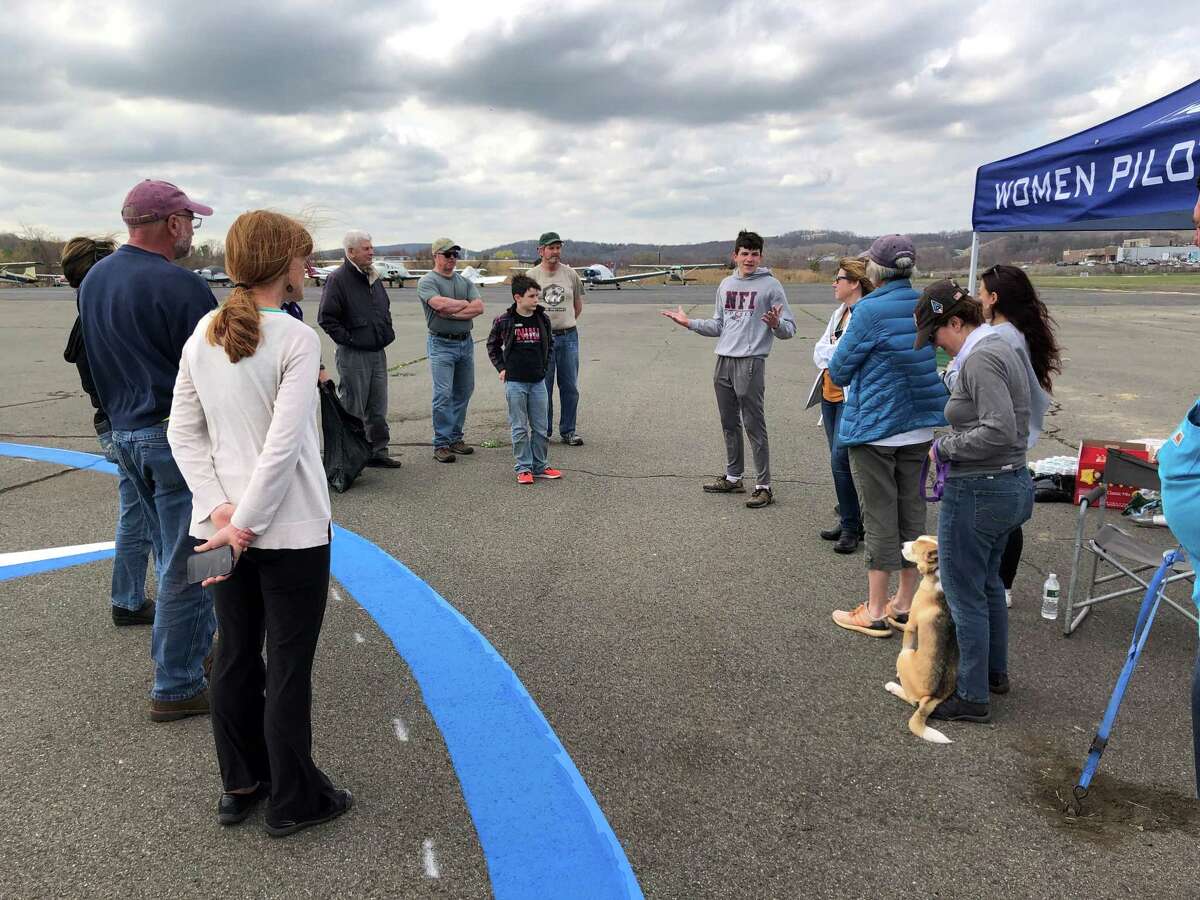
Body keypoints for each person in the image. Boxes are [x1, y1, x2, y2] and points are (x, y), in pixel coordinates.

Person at [168, 210, 352, 836]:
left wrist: (219, 511)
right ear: (284, 264)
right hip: (288, 529)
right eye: (303, 256)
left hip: (216, 529)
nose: (307, 267)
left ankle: (240, 781)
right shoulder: (296, 338)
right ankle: (294, 798)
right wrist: (243, 524)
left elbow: (183, 433)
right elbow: (283, 445)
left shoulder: (203, 332)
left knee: (235, 654)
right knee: (288, 665)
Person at [78, 179, 217, 722]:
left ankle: (198, 647)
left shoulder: (95, 279)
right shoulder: (183, 286)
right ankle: (176, 684)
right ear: (173, 222)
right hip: (173, 437)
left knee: (168, 549)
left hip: (125, 432)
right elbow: (214, 374)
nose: (192, 233)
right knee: (194, 561)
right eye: (191, 222)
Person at [915, 280, 1034, 723]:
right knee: (987, 585)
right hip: (1008, 482)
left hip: (981, 488)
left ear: (955, 323)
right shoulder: (1001, 345)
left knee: (964, 593)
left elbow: (998, 429)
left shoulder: (981, 358)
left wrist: (944, 447)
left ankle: (971, 695)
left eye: (935, 336)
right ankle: (993, 674)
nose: (936, 346)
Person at [827, 234, 947, 637]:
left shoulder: (869, 310)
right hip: (919, 425)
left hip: (877, 428)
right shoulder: (925, 304)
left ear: (875, 270)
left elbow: (839, 370)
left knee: (879, 515)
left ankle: (876, 609)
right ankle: (904, 603)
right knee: (912, 512)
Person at [661, 230, 795, 509]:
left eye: (755, 254)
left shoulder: (771, 286)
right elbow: (719, 325)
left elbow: (789, 329)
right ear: (735, 255)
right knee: (729, 422)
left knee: (754, 424)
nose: (749, 259)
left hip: (751, 361)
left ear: (761, 257)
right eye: (744, 253)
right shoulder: (725, 284)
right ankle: (734, 477)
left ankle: (764, 486)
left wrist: (775, 324)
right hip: (724, 360)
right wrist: (690, 323)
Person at [62, 237, 156, 626]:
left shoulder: (88, 318)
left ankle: (128, 598)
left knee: (136, 514)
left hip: (112, 424)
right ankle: (149, 604)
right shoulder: (98, 322)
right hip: (128, 425)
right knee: (155, 517)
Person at [971, 264, 1060, 606]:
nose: (978, 298)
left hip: (1001, 435)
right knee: (1007, 516)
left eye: (981, 292)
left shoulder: (1001, 337)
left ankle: (1000, 585)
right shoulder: (1017, 332)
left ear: (994, 298)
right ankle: (1003, 584)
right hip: (1015, 433)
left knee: (998, 517)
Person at [317, 230, 400, 468]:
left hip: (377, 352)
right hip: (354, 354)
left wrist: (385, 330)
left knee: (378, 406)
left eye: (371, 247)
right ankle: (351, 459)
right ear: (351, 252)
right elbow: (326, 318)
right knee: (354, 407)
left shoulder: (373, 277)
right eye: (366, 248)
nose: (371, 252)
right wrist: (350, 339)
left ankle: (378, 451)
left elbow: (383, 307)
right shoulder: (338, 279)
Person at [809, 257, 875, 553]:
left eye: (839, 279)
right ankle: (850, 519)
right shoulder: (839, 313)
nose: (834, 283)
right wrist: (833, 353)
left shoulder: (865, 314)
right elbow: (819, 352)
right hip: (829, 395)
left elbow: (844, 355)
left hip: (850, 397)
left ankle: (851, 526)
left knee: (840, 459)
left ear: (855, 283)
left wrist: (833, 353)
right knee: (838, 462)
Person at [486, 275, 564, 484]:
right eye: (531, 296)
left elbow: (550, 345)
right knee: (519, 427)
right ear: (517, 297)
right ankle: (523, 467)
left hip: (538, 382)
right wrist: (501, 368)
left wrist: (544, 367)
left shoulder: (543, 319)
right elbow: (492, 345)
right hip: (515, 383)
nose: (536, 299)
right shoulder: (504, 320)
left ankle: (540, 466)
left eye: (537, 295)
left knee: (540, 427)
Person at [417, 238, 484, 463]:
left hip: (465, 342)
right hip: (441, 344)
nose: (452, 259)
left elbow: (479, 307)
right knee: (443, 394)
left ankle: (456, 437)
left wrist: (452, 312)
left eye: (455, 255)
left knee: (464, 391)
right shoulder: (427, 281)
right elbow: (439, 305)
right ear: (436, 255)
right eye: (448, 254)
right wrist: (464, 304)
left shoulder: (464, 281)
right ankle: (441, 443)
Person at [525, 232, 586, 446]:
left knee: (570, 387)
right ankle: (544, 430)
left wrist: (565, 322)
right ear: (541, 251)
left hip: (568, 337)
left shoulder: (570, 274)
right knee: (543, 387)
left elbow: (577, 306)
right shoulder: (531, 276)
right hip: (541, 339)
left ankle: (568, 431)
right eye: (551, 248)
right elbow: (524, 307)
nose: (555, 252)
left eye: (558, 247)